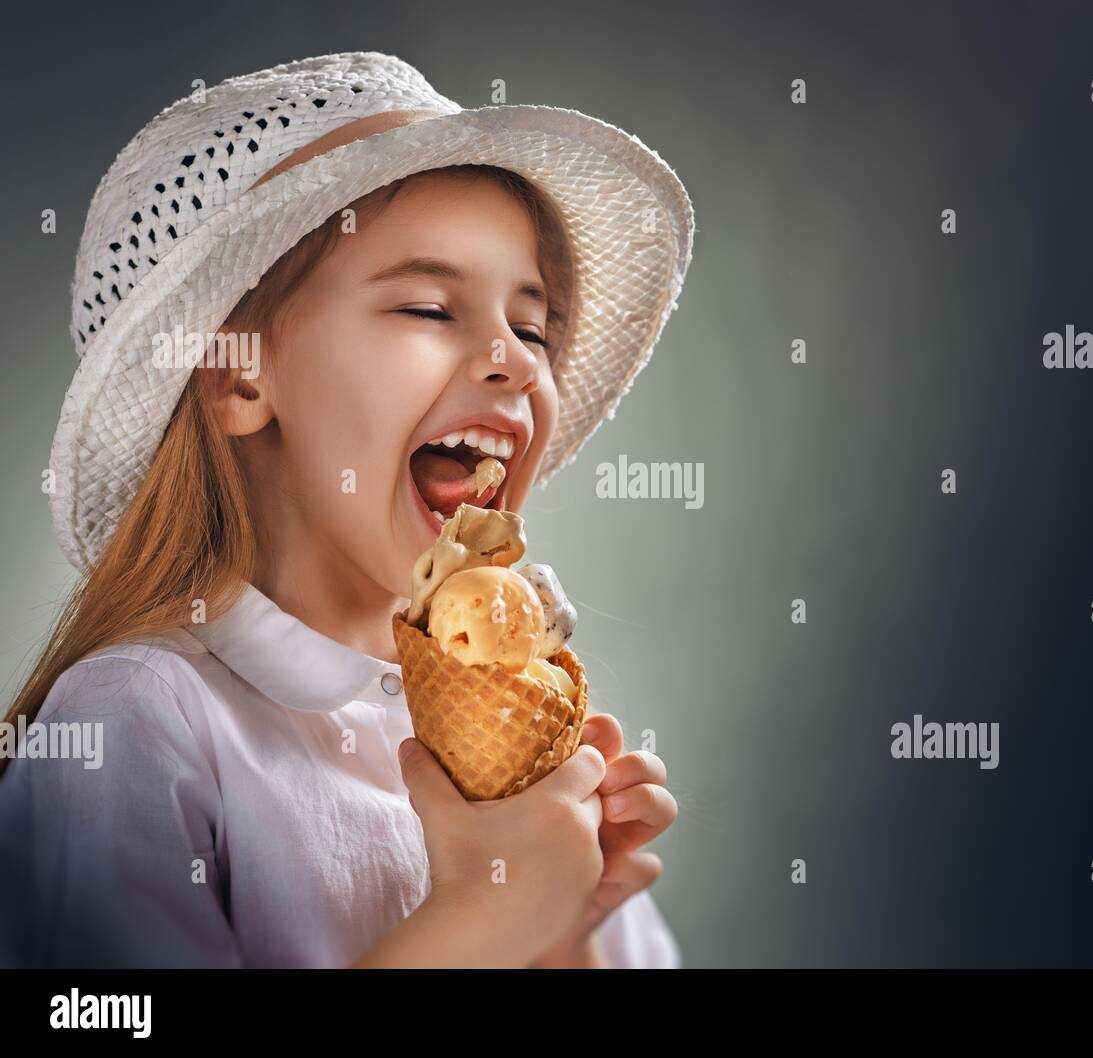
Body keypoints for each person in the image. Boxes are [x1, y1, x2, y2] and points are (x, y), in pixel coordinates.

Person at [0, 52, 694, 968]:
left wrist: (566, 937)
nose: (520, 362)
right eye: (427, 307)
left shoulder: (534, 770)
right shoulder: (137, 721)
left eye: (533, 326)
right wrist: (488, 924)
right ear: (242, 373)